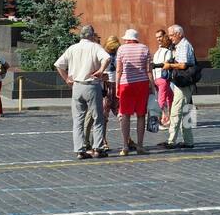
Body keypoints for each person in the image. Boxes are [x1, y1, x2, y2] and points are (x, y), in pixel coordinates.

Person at [54, 25, 111, 159]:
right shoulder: (95, 47)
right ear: (92, 35)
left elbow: (58, 65)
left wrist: (67, 79)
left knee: (78, 120)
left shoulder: (73, 48)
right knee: (98, 118)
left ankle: (80, 150)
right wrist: (101, 70)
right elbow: (107, 58)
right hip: (91, 85)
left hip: (77, 86)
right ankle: (98, 148)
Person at [115, 29, 154, 155]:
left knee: (125, 115)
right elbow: (149, 70)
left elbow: (119, 71)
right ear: (137, 38)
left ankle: (125, 146)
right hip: (142, 84)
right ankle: (140, 146)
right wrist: (152, 86)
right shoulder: (144, 48)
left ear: (127, 39)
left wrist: (117, 86)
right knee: (141, 115)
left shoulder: (121, 49)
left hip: (125, 84)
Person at [161, 24, 199, 149]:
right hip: (184, 82)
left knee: (176, 111)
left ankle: (171, 141)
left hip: (183, 83)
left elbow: (182, 65)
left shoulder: (183, 45)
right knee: (185, 111)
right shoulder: (181, 45)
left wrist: (169, 66)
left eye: (172, 35)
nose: (170, 38)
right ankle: (188, 141)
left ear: (179, 34)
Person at [152, 29, 174, 129]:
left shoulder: (158, 51)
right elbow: (167, 63)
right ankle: (158, 121)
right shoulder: (167, 52)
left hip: (156, 77)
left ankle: (169, 117)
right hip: (163, 78)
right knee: (161, 100)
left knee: (170, 96)